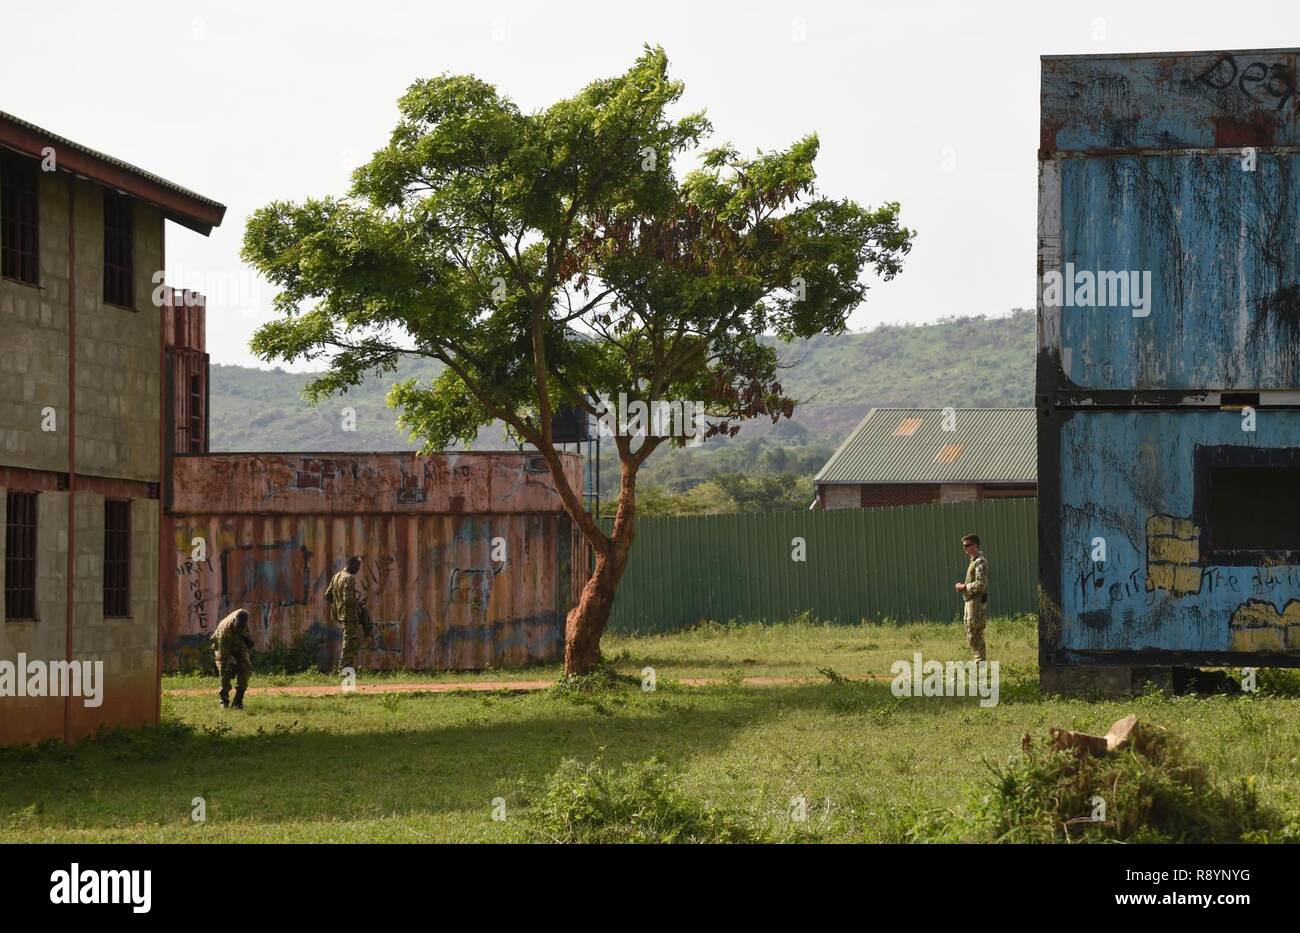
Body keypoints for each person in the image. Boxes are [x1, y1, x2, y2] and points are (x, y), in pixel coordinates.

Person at [325, 556, 365, 674]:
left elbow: (327, 596)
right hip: (349, 616)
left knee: (349, 641)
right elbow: (348, 600)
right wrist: (358, 604)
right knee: (350, 643)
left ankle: (345, 669)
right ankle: (344, 670)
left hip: (340, 615)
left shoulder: (336, 577)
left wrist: (338, 605)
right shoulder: (349, 578)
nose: (358, 569)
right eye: (357, 566)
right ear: (351, 565)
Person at [954, 533, 988, 662]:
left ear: (976, 545)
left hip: (977, 602)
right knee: (971, 633)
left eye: (968, 545)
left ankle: (980, 662)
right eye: (964, 546)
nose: (965, 548)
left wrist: (964, 587)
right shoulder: (973, 562)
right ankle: (979, 661)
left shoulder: (980, 562)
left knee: (975, 633)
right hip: (971, 602)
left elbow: (981, 584)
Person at [210, 609, 253, 709]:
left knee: (246, 666)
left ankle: (238, 701)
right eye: (238, 627)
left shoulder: (243, 621)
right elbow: (224, 656)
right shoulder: (224, 630)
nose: (239, 629)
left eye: (241, 627)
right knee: (225, 669)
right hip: (222, 647)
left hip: (237, 644)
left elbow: (247, 639)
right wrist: (232, 664)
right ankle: (224, 701)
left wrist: (249, 641)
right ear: (234, 622)